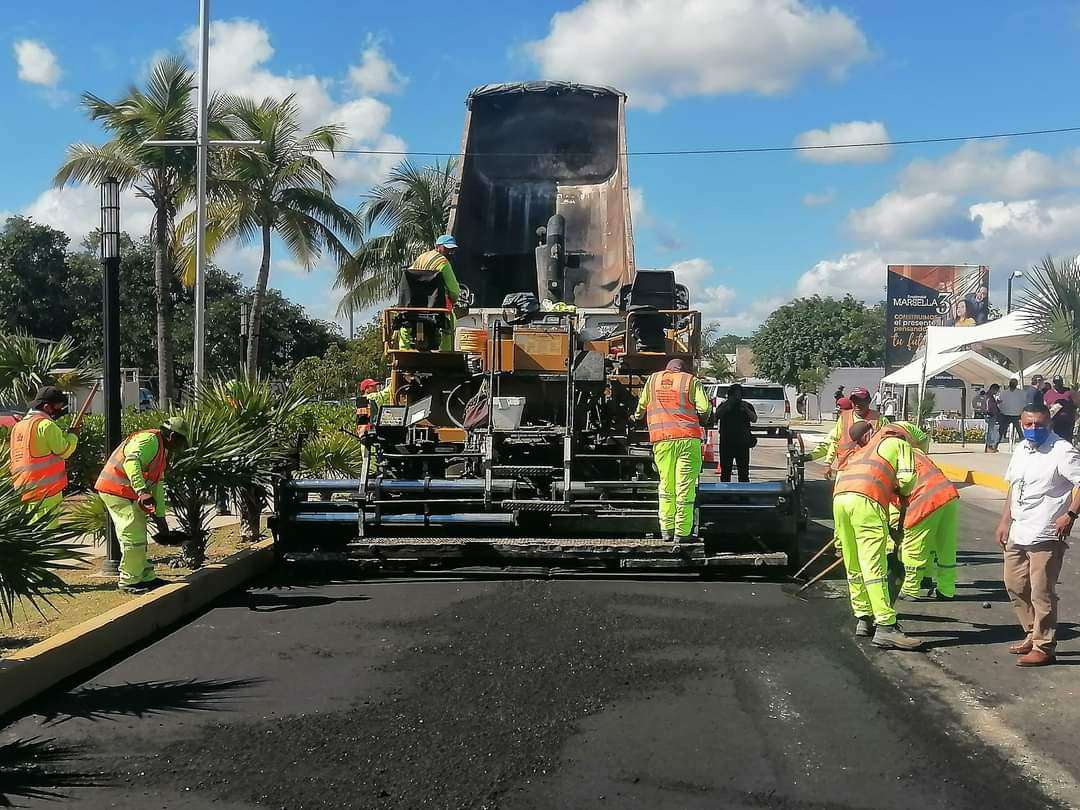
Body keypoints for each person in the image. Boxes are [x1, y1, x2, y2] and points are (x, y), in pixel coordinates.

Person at [995, 403, 1080, 666]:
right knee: (1014, 584)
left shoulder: (1063, 451)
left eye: (1039, 425)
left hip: (1046, 531)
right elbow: (1013, 486)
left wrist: (1071, 515)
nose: (1033, 429)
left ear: (1049, 425)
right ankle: (1032, 632)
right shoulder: (1021, 449)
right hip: (1019, 529)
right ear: (1021, 424)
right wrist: (1004, 520)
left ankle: (1044, 646)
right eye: (1028, 425)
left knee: (1041, 591)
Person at [833, 421, 920, 649]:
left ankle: (863, 618)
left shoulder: (861, 451)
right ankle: (886, 626)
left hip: (840, 500)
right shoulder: (898, 443)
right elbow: (908, 479)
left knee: (854, 564)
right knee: (874, 566)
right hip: (866, 500)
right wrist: (901, 492)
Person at [95, 417, 190, 594]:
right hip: (117, 490)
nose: (180, 446)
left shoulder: (161, 450)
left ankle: (145, 576)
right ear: (171, 436)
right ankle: (129, 581)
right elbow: (131, 462)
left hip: (126, 492)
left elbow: (157, 486)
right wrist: (141, 491)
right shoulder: (149, 441)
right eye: (180, 441)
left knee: (138, 534)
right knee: (133, 534)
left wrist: (161, 519)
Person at [634, 358, 712, 543]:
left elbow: (641, 407)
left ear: (667, 369)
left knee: (666, 486)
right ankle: (682, 533)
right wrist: (704, 417)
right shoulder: (690, 381)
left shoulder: (653, 380)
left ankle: (666, 530)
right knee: (684, 487)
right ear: (683, 370)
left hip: (662, 440)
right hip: (687, 440)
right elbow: (705, 407)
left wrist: (635, 417)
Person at [884, 428, 960, 602]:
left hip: (924, 500)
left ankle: (910, 589)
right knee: (945, 546)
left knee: (913, 545)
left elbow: (895, 490)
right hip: (948, 495)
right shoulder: (914, 451)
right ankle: (946, 589)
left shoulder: (886, 459)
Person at [8, 386, 79, 525]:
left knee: (30, 534)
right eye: (58, 406)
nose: (60, 410)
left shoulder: (19, 426)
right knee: (47, 534)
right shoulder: (46, 425)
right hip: (46, 492)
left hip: (23, 490)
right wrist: (73, 436)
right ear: (47, 406)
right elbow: (64, 451)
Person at [806, 386, 889, 478]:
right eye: (854, 401)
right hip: (845, 468)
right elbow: (834, 441)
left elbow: (889, 445)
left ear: (868, 401)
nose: (857, 404)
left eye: (860, 400)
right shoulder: (844, 418)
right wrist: (827, 463)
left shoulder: (880, 419)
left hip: (870, 470)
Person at [398, 235, 462, 351]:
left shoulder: (421, 258)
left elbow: (410, 279)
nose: (450, 252)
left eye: (452, 250)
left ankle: (404, 349)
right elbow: (453, 289)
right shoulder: (443, 262)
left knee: (405, 320)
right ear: (438, 247)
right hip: (435, 308)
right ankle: (445, 351)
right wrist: (455, 299)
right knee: (449, 320)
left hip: (414, 305)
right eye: (447, 249)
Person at [714, 383, 757, 482]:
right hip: (726, 442)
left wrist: (746, 409)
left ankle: (743, 495)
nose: (737, 397)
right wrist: (726, 406)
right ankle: (725, 495)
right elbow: (716, 416)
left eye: (739, 394)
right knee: (725, 471)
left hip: (742, 443)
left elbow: (754, 419)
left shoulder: (747, 405)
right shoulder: (724, 405)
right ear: (730, 395)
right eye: (735, 395)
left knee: (743, 471)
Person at [1044, 375, 1076, 441]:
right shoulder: (1048, 393)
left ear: (1062, 382)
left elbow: (1076, 404)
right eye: (1056, 382)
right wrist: (1051, 406)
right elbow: (1045, 407)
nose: (1057, 384)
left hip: (1067, 422)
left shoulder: (1068, 392)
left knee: (1067, 441)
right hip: (1054, 422)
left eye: (1059, 382)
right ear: (1053, 383)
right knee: (1055, 440)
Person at [998, 378, 1026, 443]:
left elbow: (1024, 403)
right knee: (1002, 430)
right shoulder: (1004, 393)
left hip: (1016, 415)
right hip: (1006, 414)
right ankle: (998, 442)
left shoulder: (1021, 392)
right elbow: (1000, 403)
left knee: (1019, 430)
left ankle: (1023, 441)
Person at [984, 383, 1002, 452]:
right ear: (993, 389)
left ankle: (988, 446)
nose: (996, 392)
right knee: (990, 431)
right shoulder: (989, 396)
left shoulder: (989, 395)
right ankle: (989, 447)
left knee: (990, 431)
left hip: (990, 414)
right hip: (990, 415)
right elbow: (988, 404)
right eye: (996, 390)